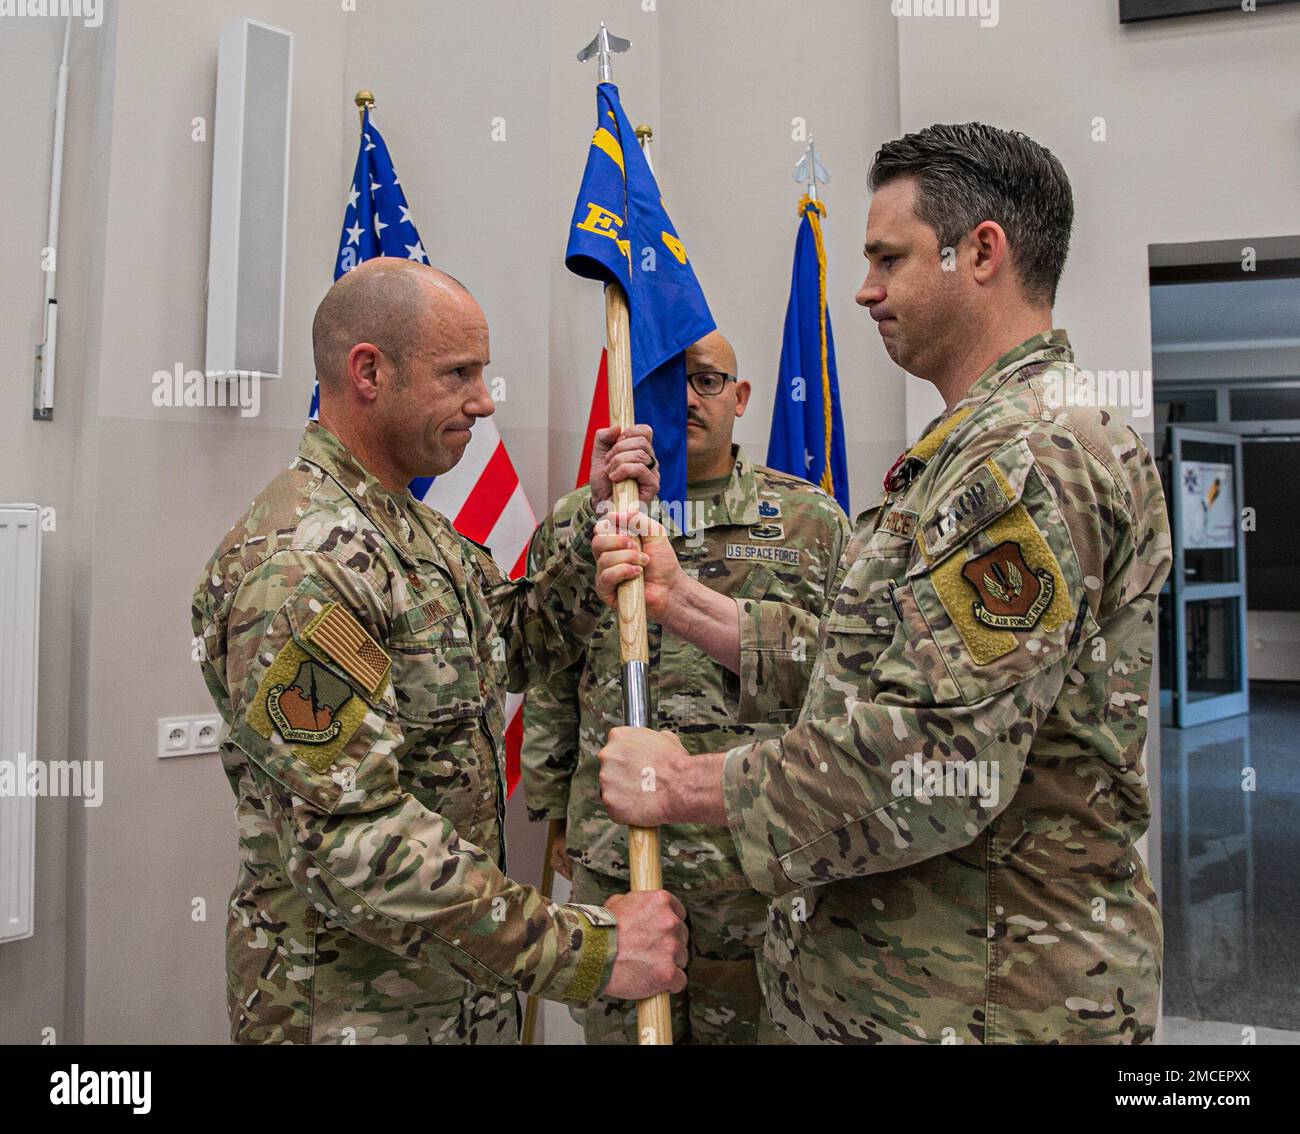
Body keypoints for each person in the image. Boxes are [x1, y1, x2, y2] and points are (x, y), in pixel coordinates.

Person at [592, 123, 1172, 1045]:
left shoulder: (1030, 456)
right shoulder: (977, 447)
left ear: (981, 251)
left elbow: (931, 759)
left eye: (888, 258)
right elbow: (884, 664)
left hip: (986, 997)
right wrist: (685, 603)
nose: (864, 290)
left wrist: (679, 784)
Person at [192, 257, 687, 1045]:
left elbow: (512, 645)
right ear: (368, 373)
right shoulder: (307, 562)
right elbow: (353, 843)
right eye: (458, 373)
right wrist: (586, 950)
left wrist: (587, 521)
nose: (484, 401)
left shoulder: (413, 535)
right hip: (357, 1015)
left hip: (454, 999)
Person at [522, 330, 849, 1044]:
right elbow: (551, 679)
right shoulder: (586, 522)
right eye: (670, 383)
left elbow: (843, 680)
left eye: (707, 381)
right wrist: (552, 817)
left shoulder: (810, 523)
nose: (690, 399)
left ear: (742, 397)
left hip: (756, 862)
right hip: (620, 857)